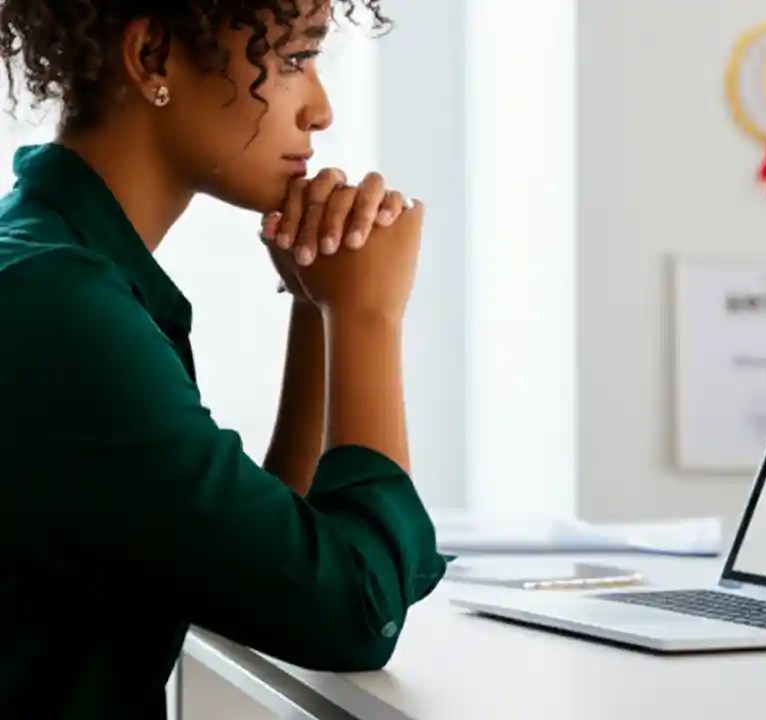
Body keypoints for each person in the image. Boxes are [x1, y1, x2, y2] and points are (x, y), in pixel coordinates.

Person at [0, 1, 448, 716]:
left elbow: (266, 572)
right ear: (153, 59)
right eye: (296, 58)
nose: (321, 110)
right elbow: (354, 613)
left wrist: (317, 301)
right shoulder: (60, 311)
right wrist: (368, 317)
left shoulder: (52, 270)